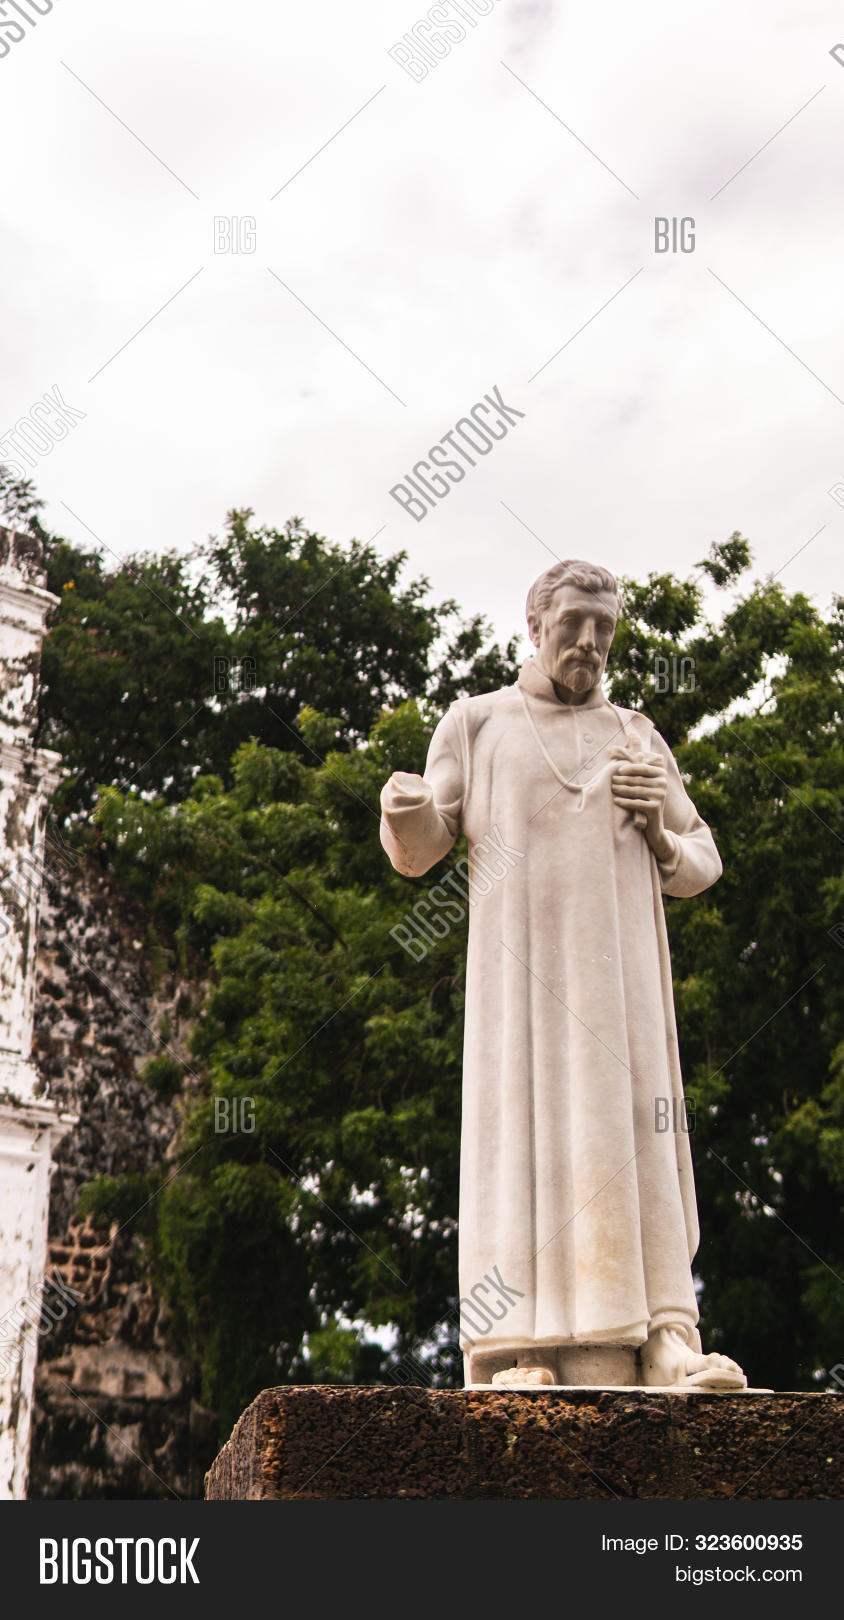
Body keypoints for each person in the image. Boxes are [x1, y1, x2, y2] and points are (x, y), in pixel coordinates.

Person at [379, 559, 746, 1390]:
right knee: (524, 1137)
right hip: (522, 991)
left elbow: (702, 860)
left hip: (622, 990)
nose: (588, 641)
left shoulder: (638, 735)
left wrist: (659, 830)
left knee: (630, 1137)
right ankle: (517, 1349)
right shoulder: (477, 725)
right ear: (536, 622)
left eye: (603, 629)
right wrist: (403, 807)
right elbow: (425, 842)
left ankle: (661, 1340)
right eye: (574, 623)